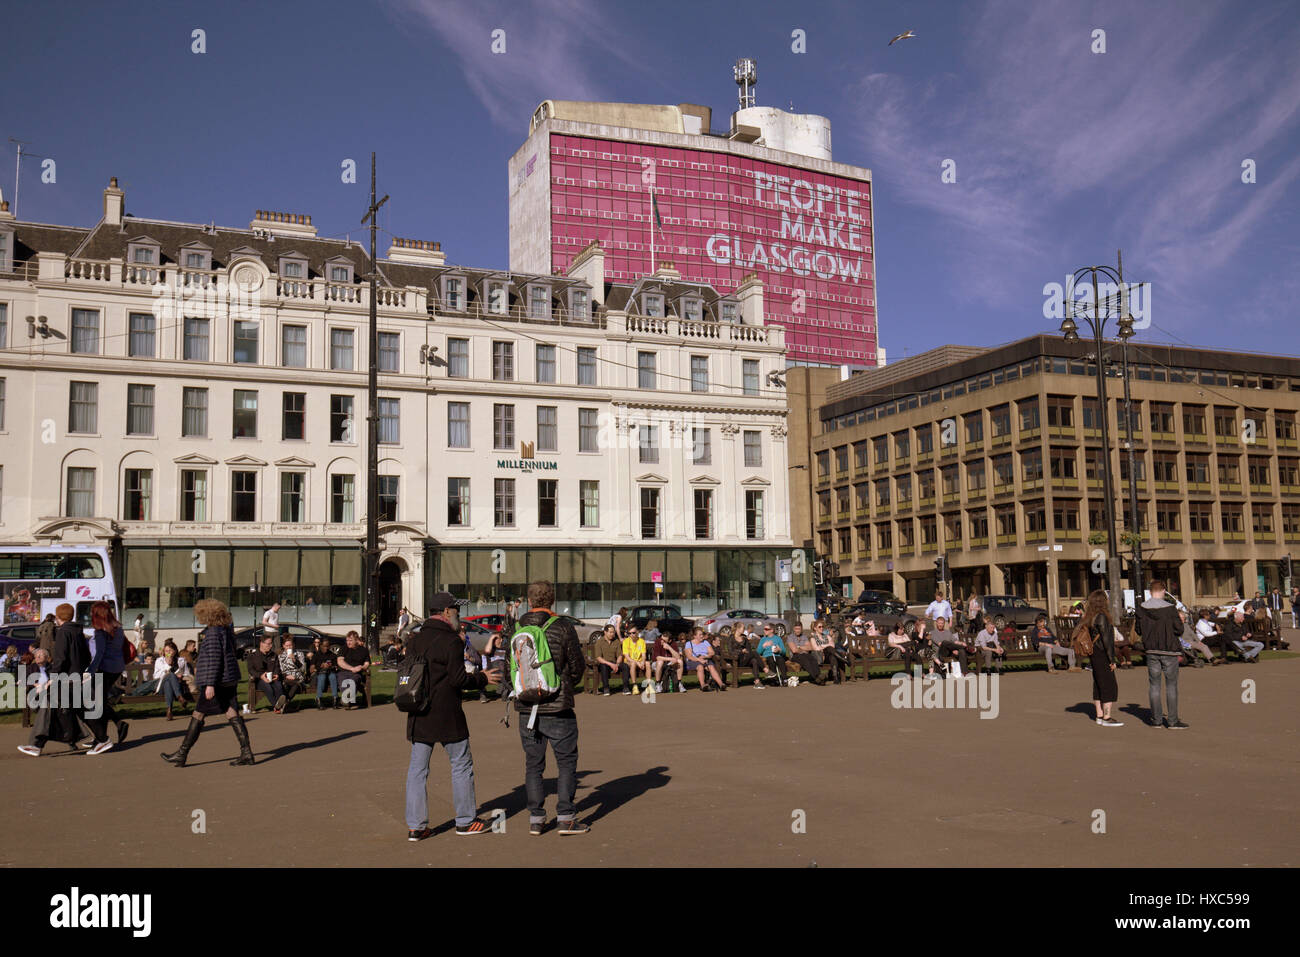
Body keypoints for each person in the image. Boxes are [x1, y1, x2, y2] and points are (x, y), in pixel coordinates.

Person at [404, 592, 501, 840]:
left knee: (418, 770)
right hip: (446, 711)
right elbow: (458, 679)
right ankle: (466, 821)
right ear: (446, 612)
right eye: (456, 610)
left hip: (419, 710)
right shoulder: (451, 641)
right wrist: (482, 678)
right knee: (461, 764)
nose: (459, 614)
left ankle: (416, 826)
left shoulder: (415, 640)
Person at [513, 580, 589, 836]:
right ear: (552, 601)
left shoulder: (517, 628)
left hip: (526, 707)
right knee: (566, 762)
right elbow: (578, 666)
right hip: (558, 707)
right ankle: (566, 817)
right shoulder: (563, 626)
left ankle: (536, 818)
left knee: (533, 765)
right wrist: (566, 683)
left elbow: (508, 671)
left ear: (529, 601)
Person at [161, 598, 255, 767]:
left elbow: (214, 659)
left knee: (198, 713)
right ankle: (247, 752)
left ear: (207, 615)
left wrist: (210, 684)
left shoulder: (212, 633)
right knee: (231, 711)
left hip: (217, 681)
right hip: (229, 679)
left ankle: (182, 754)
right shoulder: (225, 631)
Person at [1135, 579, 1186, 729]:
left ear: (1150, 592)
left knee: (1154, 685)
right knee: (1171, 685)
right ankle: (1172, 720)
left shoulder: (1141, 608)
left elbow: (1138, 630)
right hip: (1169, 649)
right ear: (1163, 591)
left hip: (1151, 650)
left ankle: (1156, 720)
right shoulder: (1170, 609)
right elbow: (1179, 629)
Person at [85, 600, 129, 754]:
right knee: (100, 701)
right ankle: (103, 734)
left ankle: (103, 736)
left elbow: (99, 653)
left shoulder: (101, 631)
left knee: (96, 703)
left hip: (104, 669)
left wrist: (89, 671)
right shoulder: (118, 627)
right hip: (117, 667)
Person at [1079, 590, 1122, 726]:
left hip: (1093, 653)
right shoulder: (1102, 617)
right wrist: (1112, 660)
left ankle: (1099, 715)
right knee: (1108, 685)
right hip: (1102, 653)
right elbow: (1107, 640)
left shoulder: (1089, 616)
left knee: (1098, 684)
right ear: (1103, 601)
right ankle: (1107, 717)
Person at [246, 634, 288, 714]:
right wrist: (261, 676)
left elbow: (277, 667)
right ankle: (278, 706)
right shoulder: (253, 655)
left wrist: (276, 674)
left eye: (271, 643)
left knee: (278, 685)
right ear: (262, 643)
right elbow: (250, 670)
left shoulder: (273, 655)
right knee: (268, 687)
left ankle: (277, 707)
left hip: (273, 678)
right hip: (260, 680)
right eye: (268, 644)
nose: (271, 645)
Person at [684, 627, 725, 692]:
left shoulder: (705, 642)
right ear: (695, 636)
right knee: (700, 667)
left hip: (705, 659)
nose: (702, 636)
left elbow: (712, 652)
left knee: (711, 666)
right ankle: (703, 685)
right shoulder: (689, 644)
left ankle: (721, 684)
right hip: (693, 661)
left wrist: (705, 656)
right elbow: (689, 656)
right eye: (700, 635)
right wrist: (699, 660)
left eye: (702, 634)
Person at [593, 624, 629, 696]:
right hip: (604, 663)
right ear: (605, 632)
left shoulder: (616, 641)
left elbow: (620, 655)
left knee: (625, 666)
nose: (612, 634)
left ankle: (626, 688)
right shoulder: (599, 642)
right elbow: (598, 657)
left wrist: (617, 664)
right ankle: (606, 688)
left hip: (615, 663)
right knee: (604, 666)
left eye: (613, 632)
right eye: (610, 632)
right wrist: (610, 664)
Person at [337, 631, 371, 707]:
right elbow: (340, 661)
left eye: (350, 640)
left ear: (356, 640)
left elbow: (367, 663)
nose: (348, 642)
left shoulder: (364, 650)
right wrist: (352, 668)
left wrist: (362, 667)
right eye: (347, 640)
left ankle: (346, 700)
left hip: (356, 673)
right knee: (344, 682)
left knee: (353, 681)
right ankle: (347, 700)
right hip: (343, 671)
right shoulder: (344, 648)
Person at [278, 635, 308, 707]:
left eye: (290, 645)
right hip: (287, 677)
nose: (289, 647)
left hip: (298, 676)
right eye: (287, 645)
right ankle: (286, 703)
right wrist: (287, 676)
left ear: (293, 645)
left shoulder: (299, 654)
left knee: (295, 684)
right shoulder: (280, 656)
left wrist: (295, 660)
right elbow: (281, 670)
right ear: (283, 646)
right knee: (290, 684)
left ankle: (284, 703)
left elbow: (303, 669)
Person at [311, 637, 340, 708]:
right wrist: (320, 666)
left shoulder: (332, 655)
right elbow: (311, 669)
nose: (326, 648)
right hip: (320, 674)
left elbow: (336, 667)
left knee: (332, 676)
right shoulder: (316, 655)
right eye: (324, 646)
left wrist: (331, 666)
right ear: (320, 646)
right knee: (322, 676)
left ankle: (335, 699)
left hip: (330, 673)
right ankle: (319, 699)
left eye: (327, 646)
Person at [621, 626, 650, 694]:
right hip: (629, 661)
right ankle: (634, 686)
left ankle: (648, 685)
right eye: (629, 633)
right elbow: (627, 657)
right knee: (633, 664)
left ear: (637, 632)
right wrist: (637, 663)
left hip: (639, 661)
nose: (631, 635)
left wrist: (642, 662)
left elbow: (643, 655)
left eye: (633, 633)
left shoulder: (641, 641)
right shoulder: (626, 641)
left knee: (648, 663)